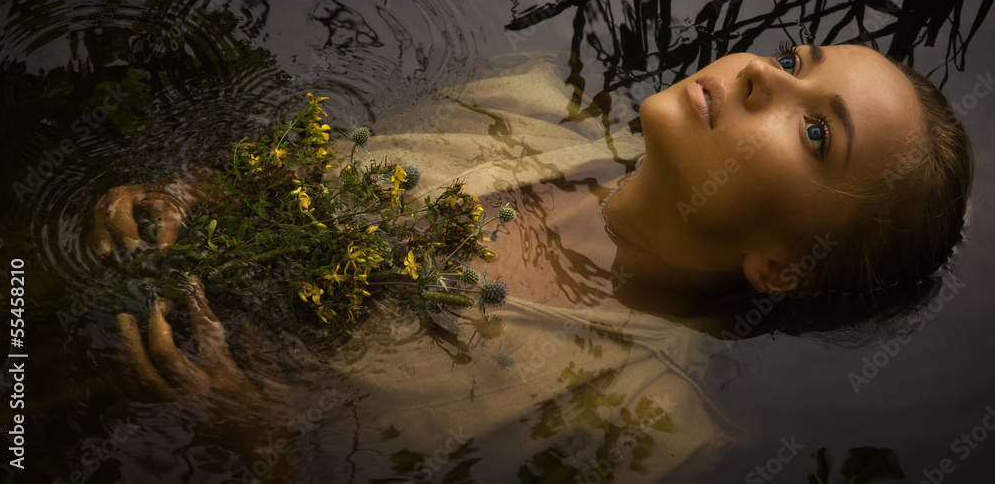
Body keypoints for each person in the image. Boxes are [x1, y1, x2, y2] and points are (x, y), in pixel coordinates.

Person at [90, 43, 972, 482]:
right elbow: (267, 184)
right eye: (791, 59)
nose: (757, 77)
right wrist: (178, 200)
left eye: (816, 132)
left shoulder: (650, 427)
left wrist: (263, 450)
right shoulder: (519, 102)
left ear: (780, 267)